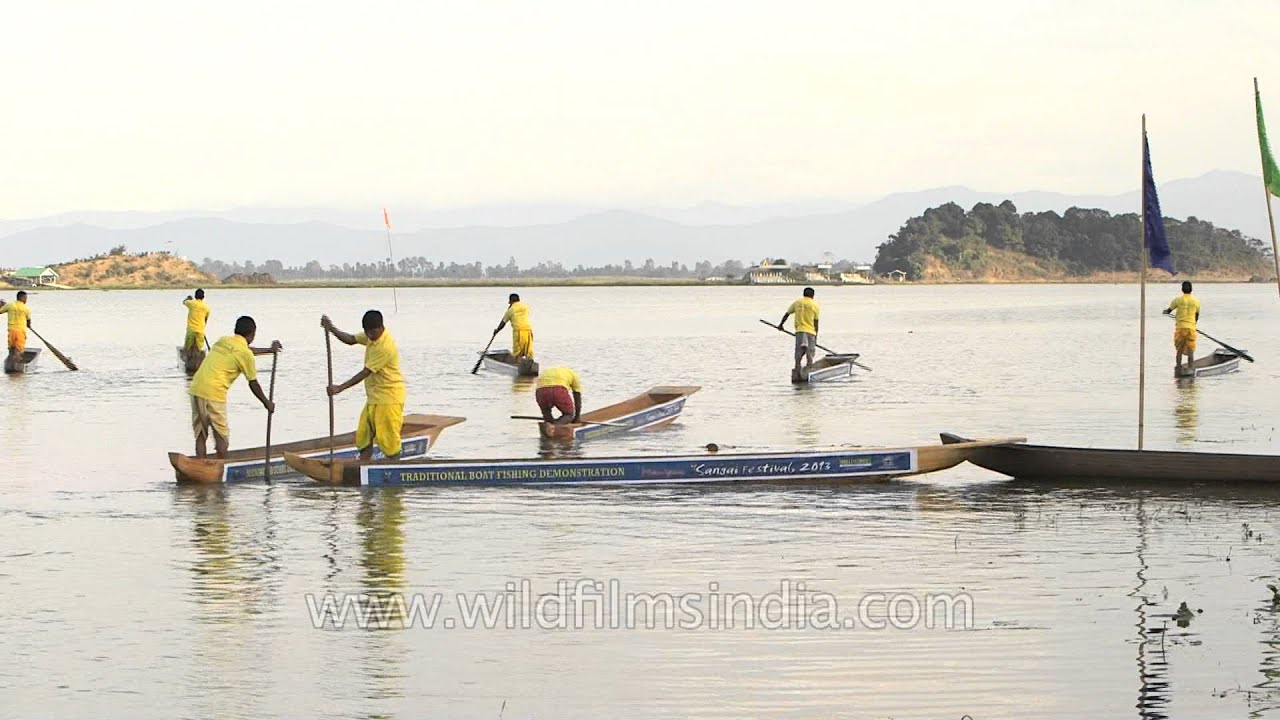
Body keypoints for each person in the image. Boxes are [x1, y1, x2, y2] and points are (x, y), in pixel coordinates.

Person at [188, 316, 280, 458]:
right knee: (222, 437)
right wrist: (266, 403)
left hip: (196, 388)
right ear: (252, 334)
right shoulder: (245, 355)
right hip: (214, 392)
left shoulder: (223, 340)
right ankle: (221, 468)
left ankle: (201, 464)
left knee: (201, 433)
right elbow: (253, 383)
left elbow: (246, 350)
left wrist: (269, 350)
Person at [322, 310, 406, 461]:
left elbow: (365, 372)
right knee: (363, 436)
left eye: (373, 332)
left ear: (381, 328)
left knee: (388, 441)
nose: (370, 336)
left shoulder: (385, 346)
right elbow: (351, 339)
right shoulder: (370, 336)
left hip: (389, 398)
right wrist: (332, 329)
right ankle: (363, 467)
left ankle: (394, 468)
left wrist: (339, 388)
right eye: (367, 333)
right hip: (374, 398)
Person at [1163, 281, 1201, 371]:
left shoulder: (1178, 300)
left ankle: (1178, 368)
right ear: (1191, 289)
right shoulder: (1196, 301)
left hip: (1180, 327)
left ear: (1182, 289)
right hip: (1191, 328)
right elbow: (1196, 317)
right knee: (1191, 349)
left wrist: (1165, 312)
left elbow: (1168, 311)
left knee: (1179, 349)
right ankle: (1191, 369)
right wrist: (1193, 324)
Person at [780, 287, 820, 371]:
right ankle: (809, 367)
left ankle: (797, 367)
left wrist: (781, 325)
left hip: (799, 331)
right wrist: (816, 334)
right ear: (813, 295)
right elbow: (816, 321)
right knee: (810, 351)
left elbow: (787, 314)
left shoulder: (797, 303)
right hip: (810, 331)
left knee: (798, 350)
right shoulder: (815, 305)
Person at [494, 293, 534, 360]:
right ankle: (530, 364)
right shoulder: (526, 307)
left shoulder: (511, 310)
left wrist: (497, 330)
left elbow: (503, 323)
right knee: (528, 351)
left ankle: (517, 367)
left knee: (517, 352)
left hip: (519, 332)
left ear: (511, 301)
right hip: (528, 331)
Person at [0, 290, 32, 366]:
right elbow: (28, 321)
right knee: (18, 350)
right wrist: (29, 325)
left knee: (11, 348)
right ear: (22, 298)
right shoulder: (26, 308)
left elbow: (0, 311)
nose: (26, 300)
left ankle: (10, 364)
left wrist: (1, 305)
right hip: (20, 331)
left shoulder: (10, 305)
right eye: (25, 298)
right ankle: (17, 367)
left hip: (11, 331)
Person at [182, 289, 211, 361]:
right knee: (199, 349)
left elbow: (184, 302)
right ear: (203, 297)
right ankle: (198, 361)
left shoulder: (191, 303)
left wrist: (188, 298)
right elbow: (205, 320)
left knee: (187, 348)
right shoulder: (207, 308)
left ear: (195, 296)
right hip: (200, 331)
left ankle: (186, 359)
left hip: (191, 330)